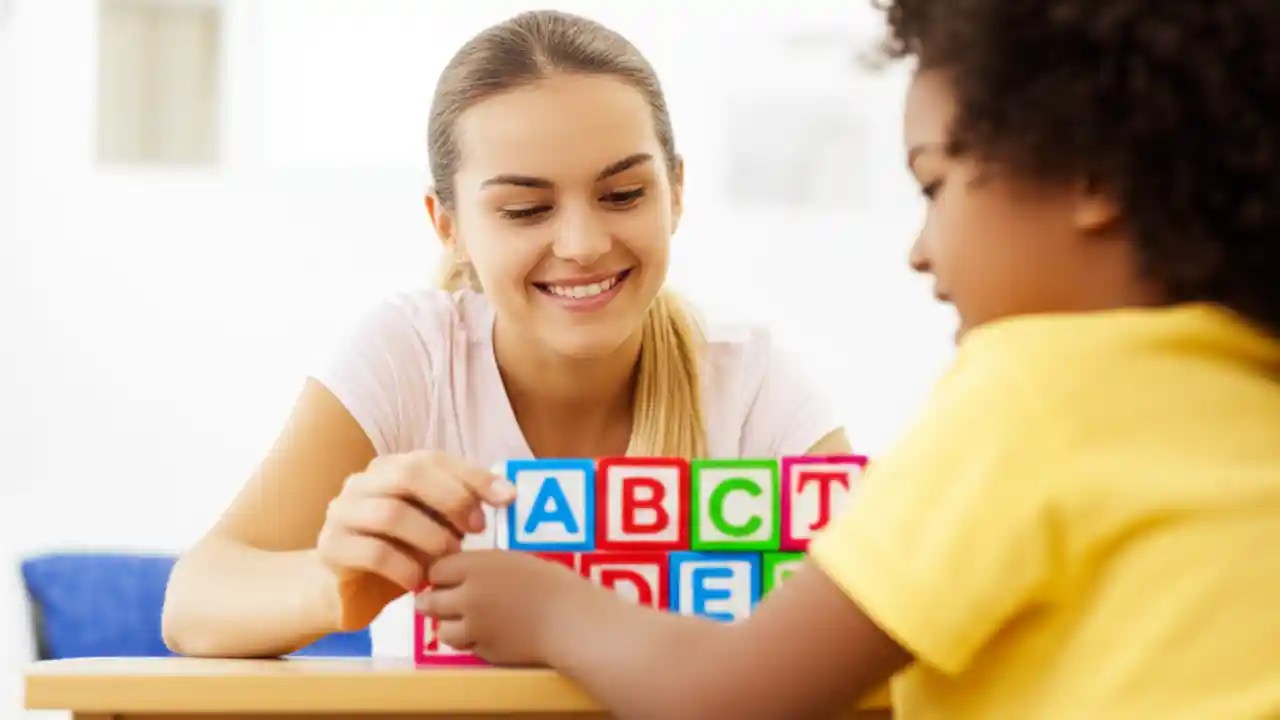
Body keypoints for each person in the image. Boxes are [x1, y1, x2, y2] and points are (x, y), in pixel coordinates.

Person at [417, 1, 1280, 717]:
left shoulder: (1034, 395)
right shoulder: (1253, 393)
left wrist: (551, 609)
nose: (919, 248)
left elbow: (735, 695)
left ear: (1093, 177)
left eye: (934, 185)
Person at [160, 10, 850, 659]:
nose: (581, 243)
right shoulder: (411, 357)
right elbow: (195, 602)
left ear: (676, 192)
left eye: (623, 195)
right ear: (448, 225)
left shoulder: (750, 386)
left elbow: (874, 614)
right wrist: (332, 579)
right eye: (525, 209)